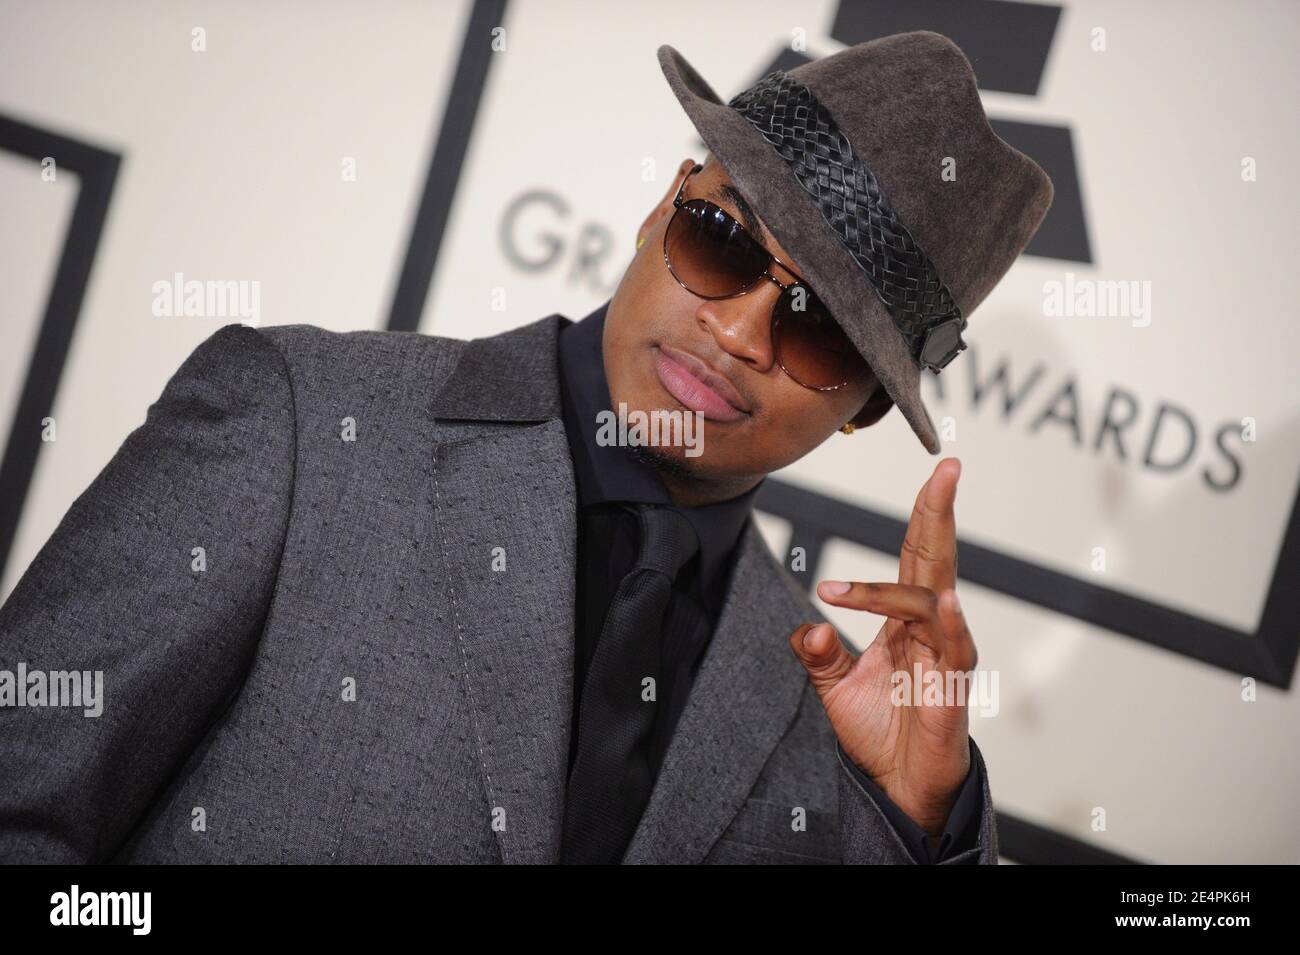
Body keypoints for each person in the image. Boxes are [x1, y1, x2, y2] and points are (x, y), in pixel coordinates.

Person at [0, 30, 1052, 864]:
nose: (734, 333)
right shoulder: (301, 420)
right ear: (658, 210)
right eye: (718, 240)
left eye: (817, 326)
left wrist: (915, 824)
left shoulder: (831, 716)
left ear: (864, 409)